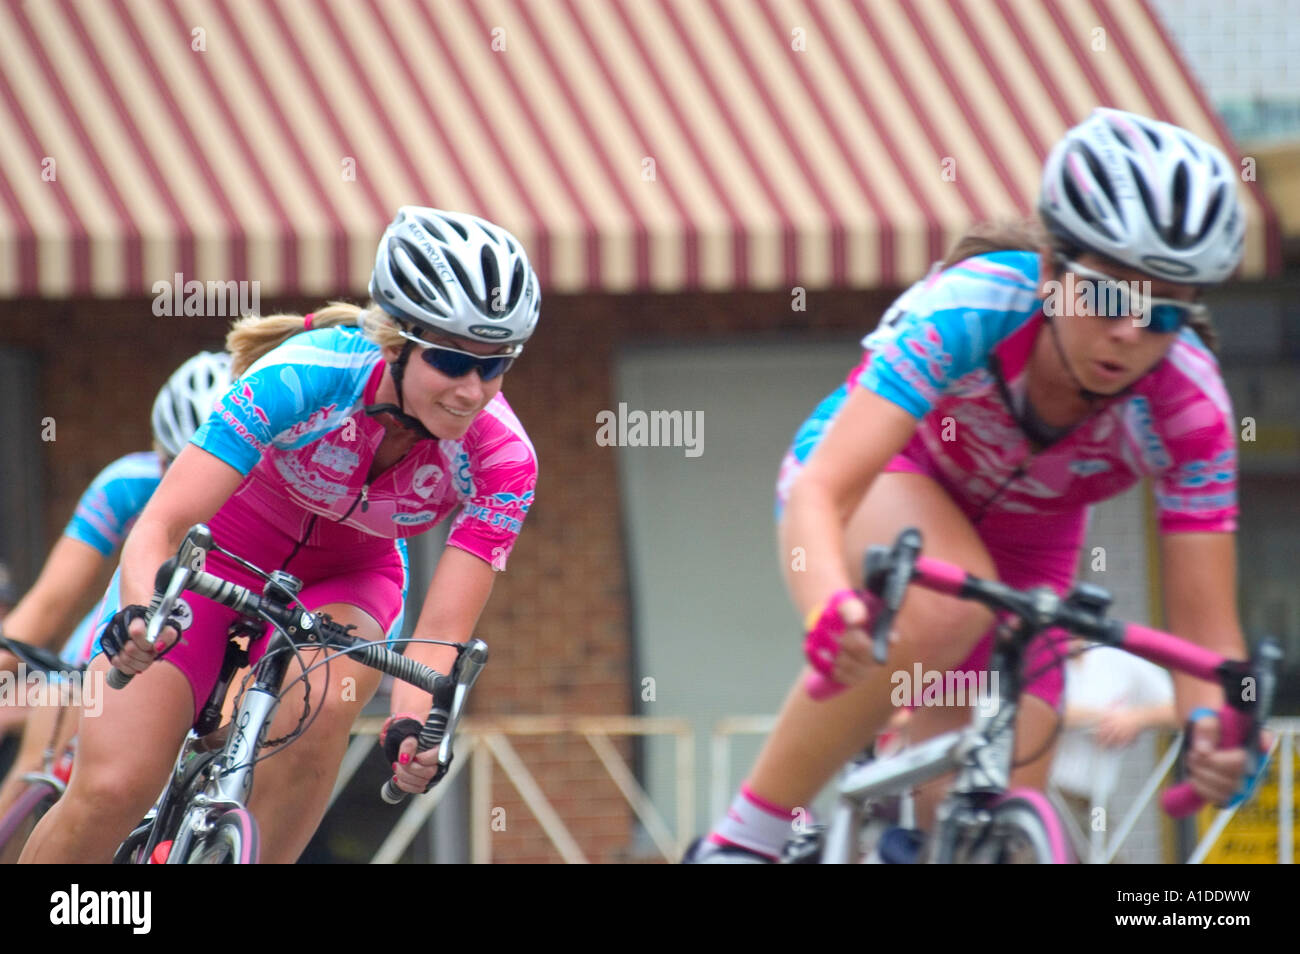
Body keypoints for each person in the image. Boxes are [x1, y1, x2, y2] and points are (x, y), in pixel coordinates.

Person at [688, 108, 1264, 862]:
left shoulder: (1191, 407)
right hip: (891, 479)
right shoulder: (976, 304)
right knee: (945, 606)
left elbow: (1203, 634)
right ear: (1054, 273)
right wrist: (828, 602)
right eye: (1109, 296)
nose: (1131, 333)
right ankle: (748, 837)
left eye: (1163, 313)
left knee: (988, 803)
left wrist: (1215, 732)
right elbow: (823, 491)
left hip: (1032, 547)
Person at [21, 207, 540, 864]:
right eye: (450, 360)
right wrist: (142, 613)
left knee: (325, 706)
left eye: (495, 366)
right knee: (113, 785)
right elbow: (163, 522)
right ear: (395, 341)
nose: (472, 391)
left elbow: (440, 633)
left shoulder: (505, 460)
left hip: (355, 576)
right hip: (229, 547)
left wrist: (414, 723)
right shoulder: (308, 373)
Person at [0, 353, 231, 822]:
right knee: (54, 717)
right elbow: (49, 603)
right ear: (158, 454)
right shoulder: (130, 482)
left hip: (223, 635)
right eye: (171, 469)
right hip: (133, 624)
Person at [1052, 638, 1178, 862]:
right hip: (1048, 793)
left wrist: (1136, 718)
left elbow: (1181, 709)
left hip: (1094, 802)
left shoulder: (1116, 658)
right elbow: (1032, 708)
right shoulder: (1038, 656)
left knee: (1107, 855)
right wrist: (1102, 718)